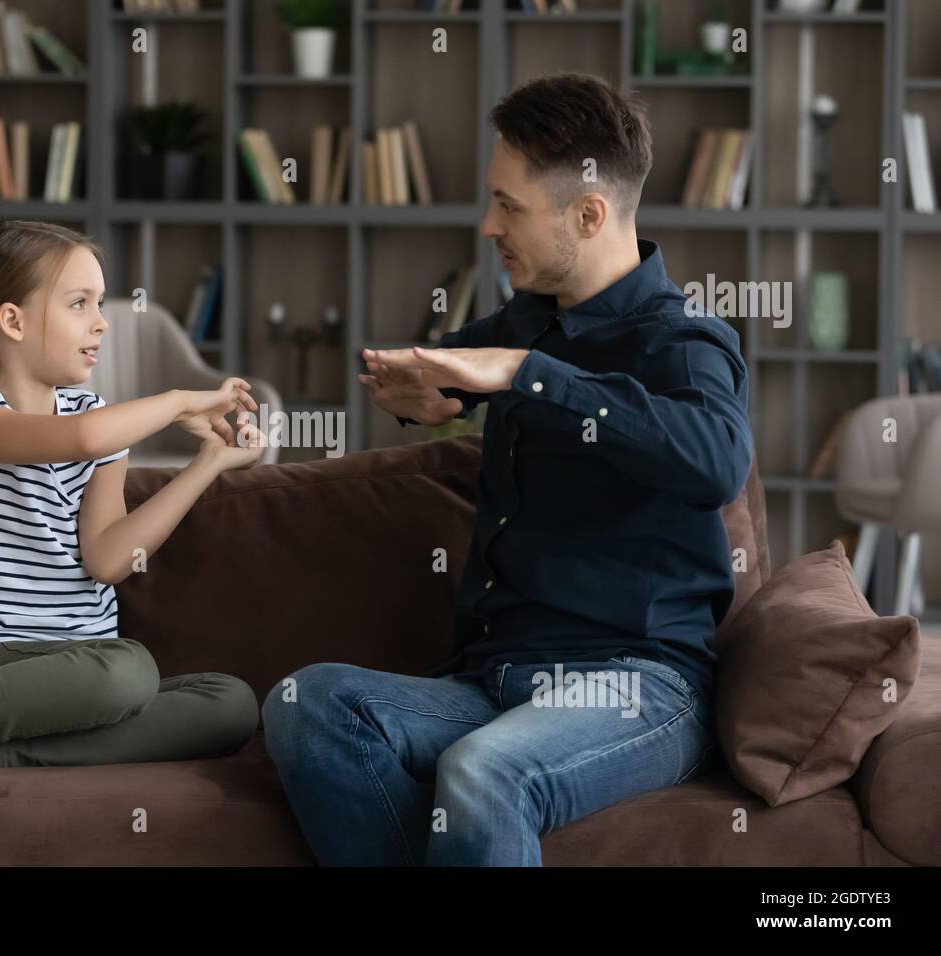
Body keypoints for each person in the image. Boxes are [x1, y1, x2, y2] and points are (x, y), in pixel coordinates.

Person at [262, 73, 754, 865]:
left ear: (588, 213)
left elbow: (717, 461)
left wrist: (528, 372)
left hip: (635, 687)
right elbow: (445, 370)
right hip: (492, 677)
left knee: (484, 772)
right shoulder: (533, 316)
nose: (489, 225)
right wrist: (416, 393)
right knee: (307, 702)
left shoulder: (684, 340)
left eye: (509, 206)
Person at [0, 220, 262, 778]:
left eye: (100, 303)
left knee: (231, 704)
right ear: (11, 320)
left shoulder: (97, 419)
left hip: (85, 677)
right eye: (79, 303)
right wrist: (181, 401)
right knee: (128, 671)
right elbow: (86, 440)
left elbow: (107, 559)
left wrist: (207, 465)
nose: (102, 323)